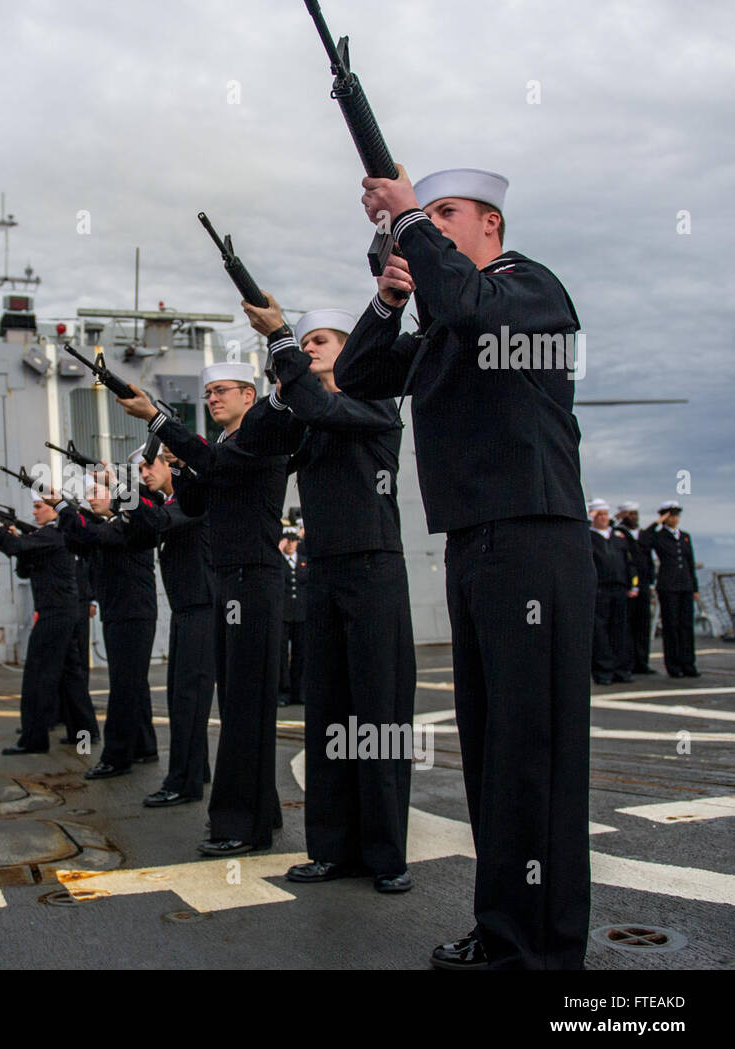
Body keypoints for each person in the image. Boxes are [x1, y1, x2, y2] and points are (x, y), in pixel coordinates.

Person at [338, 166, 595, 969]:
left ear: (491, 224)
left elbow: (467, 306)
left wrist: (408, 214)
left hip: (534, 538)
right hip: (475, 541)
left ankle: (543, 949)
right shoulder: (450, 320)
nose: (434, 224)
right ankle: (506, 931)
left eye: (449, 213)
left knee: (533, 749)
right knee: (493, 751)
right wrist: (387, 299)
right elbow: (359, 377)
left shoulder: (528, 290)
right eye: (430, 211)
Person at [237, 302, 417, 895]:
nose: (310, 349)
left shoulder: (373, 404)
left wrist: (283, 341)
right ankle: (333, 847)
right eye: (306, 341)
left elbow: (323, 405)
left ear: (352, 350)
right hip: (325, 573)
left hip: (374, 570)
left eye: (322, 341)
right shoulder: (307, 411)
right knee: (329, 714)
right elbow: (258, 438)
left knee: (380, 715)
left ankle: (387, 854)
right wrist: (278, 372)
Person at [118, 363, 288, 856]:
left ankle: (242, 825)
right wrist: (176, 466)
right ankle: (262, 811)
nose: (212, 398)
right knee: (238, 706)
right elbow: (194, 494)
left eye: (221, 391)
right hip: (229, 580)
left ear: (249, 396)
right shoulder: (223, 449)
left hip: (252, 578)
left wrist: (156, 418)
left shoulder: (258, 436)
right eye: (208, 392)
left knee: (244, 710)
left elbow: (209, 473)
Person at [128, 444, 216, 807]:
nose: (145, 474)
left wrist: (125, 493)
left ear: (169, 464)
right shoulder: (168, 503)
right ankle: (196, 771)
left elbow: (159, 523)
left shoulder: (188, 498)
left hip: (202, 607)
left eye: (150, 466)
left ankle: (182, 782)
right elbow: (141, 533)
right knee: (182, 696)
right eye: (140, 471)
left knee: (187, 699)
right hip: (187, 610)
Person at [55, 474, 159, 779]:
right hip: (123, 612)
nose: (90, 498)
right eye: (87, 493)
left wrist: (62, 507)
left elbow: (95, 537)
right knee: (134, 684)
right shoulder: (111, 524)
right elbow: (81, 540)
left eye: (96, 492)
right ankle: (144, 745)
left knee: (124, 685)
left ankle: (116, 757)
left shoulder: (126, 524)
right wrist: (67, 514)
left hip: (131, 613)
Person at [0, 494, 78, 753]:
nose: (33, 513)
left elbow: (15, 548)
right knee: (69, 676)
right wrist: (11, 534)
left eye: (38, 507)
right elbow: (23, 567)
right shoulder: (48, 537)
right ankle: (81, 731)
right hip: (59, 613)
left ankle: (34, 740)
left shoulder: (53, 535)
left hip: (54, 614)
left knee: (37, 675)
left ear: (55, 512)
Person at [640, 501, 701, 677]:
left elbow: (690, 563)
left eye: (675, 515)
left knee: (686, 627)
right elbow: (643, 540)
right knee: (671, 627)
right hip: (668, 586)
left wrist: (695, 587)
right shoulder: (658, 537)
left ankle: (688, 664)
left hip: (685, 586)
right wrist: (658, 522)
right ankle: (674, 666)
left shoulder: (685, 536)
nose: (674, 518)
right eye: (670, 515)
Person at [57, 526, 101, 747]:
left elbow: (94, 573)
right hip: (67, 606)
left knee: (79, 660)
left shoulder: (83, 553)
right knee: (68, 663)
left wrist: (93, 600)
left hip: (81, 604)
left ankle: (82, 724)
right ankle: (68, 717)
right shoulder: (63, 549)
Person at [587, 499, 638, 685]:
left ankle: (622, 670)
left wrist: (633, 584)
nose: (603, 518)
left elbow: (630, 562)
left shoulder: (618, 537)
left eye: (605, 514)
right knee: (600, 633)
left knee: (621, 631)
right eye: (599, 515)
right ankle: (603, 671)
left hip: (620, 589)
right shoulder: (587, 537)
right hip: (600, 590)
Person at [613, 501, 656, 674]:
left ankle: (642, 662)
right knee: (627, 626)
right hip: (627, 585)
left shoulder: (643, 535)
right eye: (630, 514)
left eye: (636, 513)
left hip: (643, 584)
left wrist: (651, 581)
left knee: (643, 624)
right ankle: (628, 662)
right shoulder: (618, 533)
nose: (634, 517)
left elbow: (648, 558)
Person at [278, 527, 307, 708]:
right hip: (283, 615)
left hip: (301, 615)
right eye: (287, 540)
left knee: (301, 655)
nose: (290, 544)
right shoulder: (279, 562)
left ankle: (300, 691)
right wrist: (279, 550)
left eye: (294, 540)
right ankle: (284, 692)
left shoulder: (304, 561)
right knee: (281, 656)